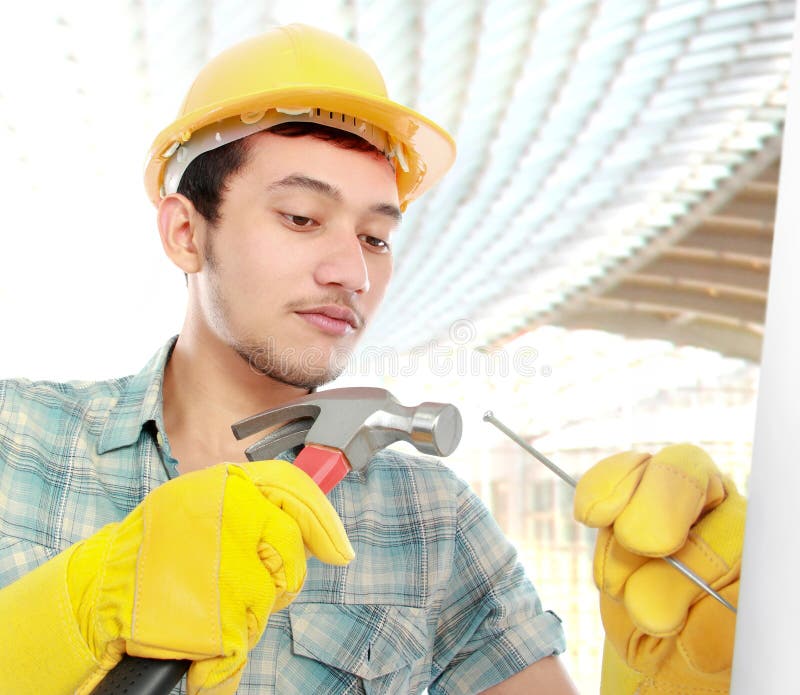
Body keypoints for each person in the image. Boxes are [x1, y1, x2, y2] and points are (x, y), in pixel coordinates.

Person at [0, 23, 742, 695]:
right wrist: (67, 613)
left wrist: (675, 680)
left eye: (376, 237)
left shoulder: (430, 523)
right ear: (186, 233)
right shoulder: (14, 440)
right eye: (301, 217)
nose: (351, 272)